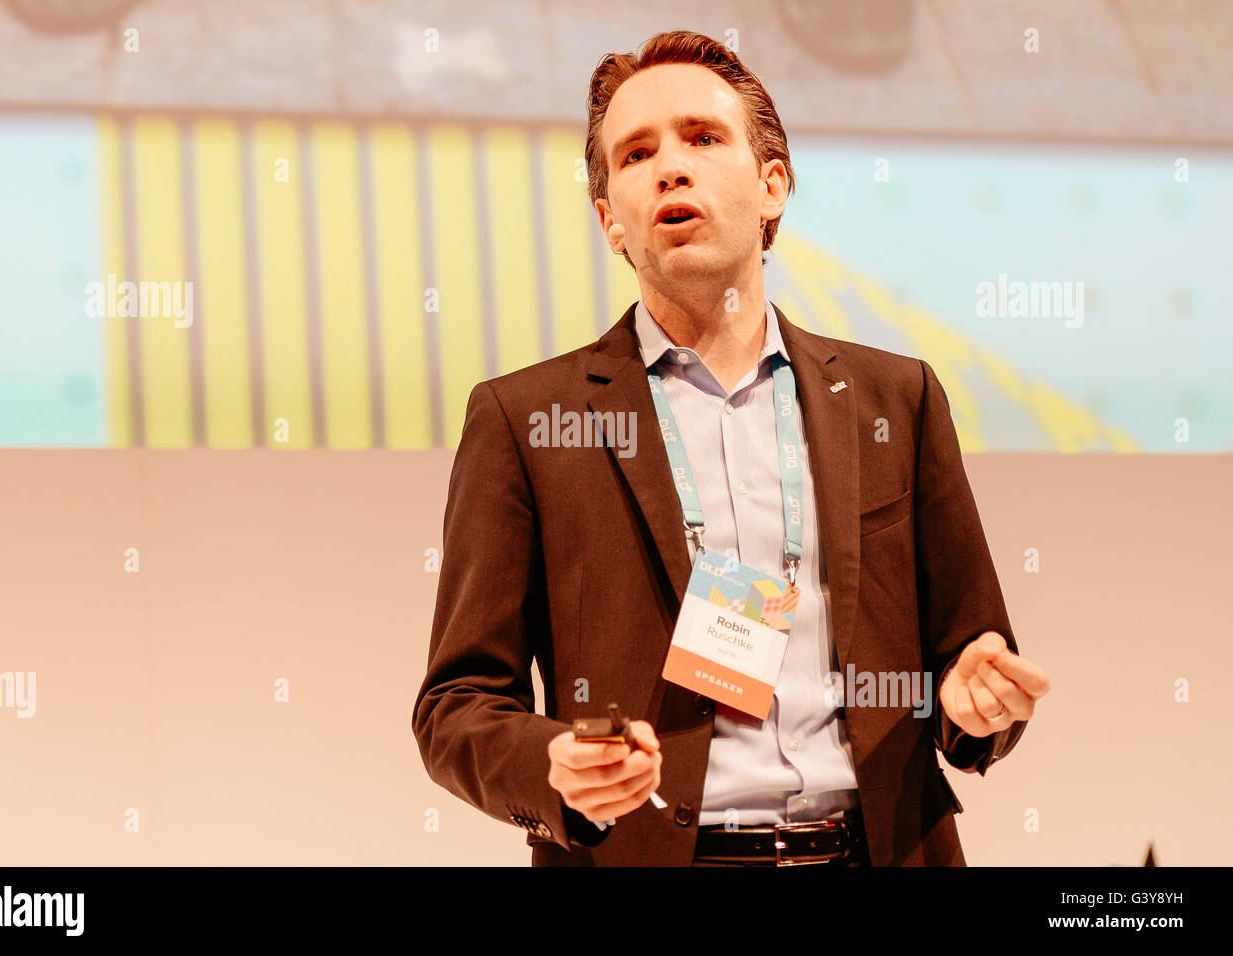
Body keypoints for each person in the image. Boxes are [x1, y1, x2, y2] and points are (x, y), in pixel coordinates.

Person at [412, 30, 1050, 866]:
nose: (670, 168)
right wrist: (551, 766)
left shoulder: (897, 399)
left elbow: (970, 660)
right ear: (611, 221)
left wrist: (977, 708)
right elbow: (456, 706)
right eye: (636, 155)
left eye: (703, 138)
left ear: (772, 186)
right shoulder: (525, 419)